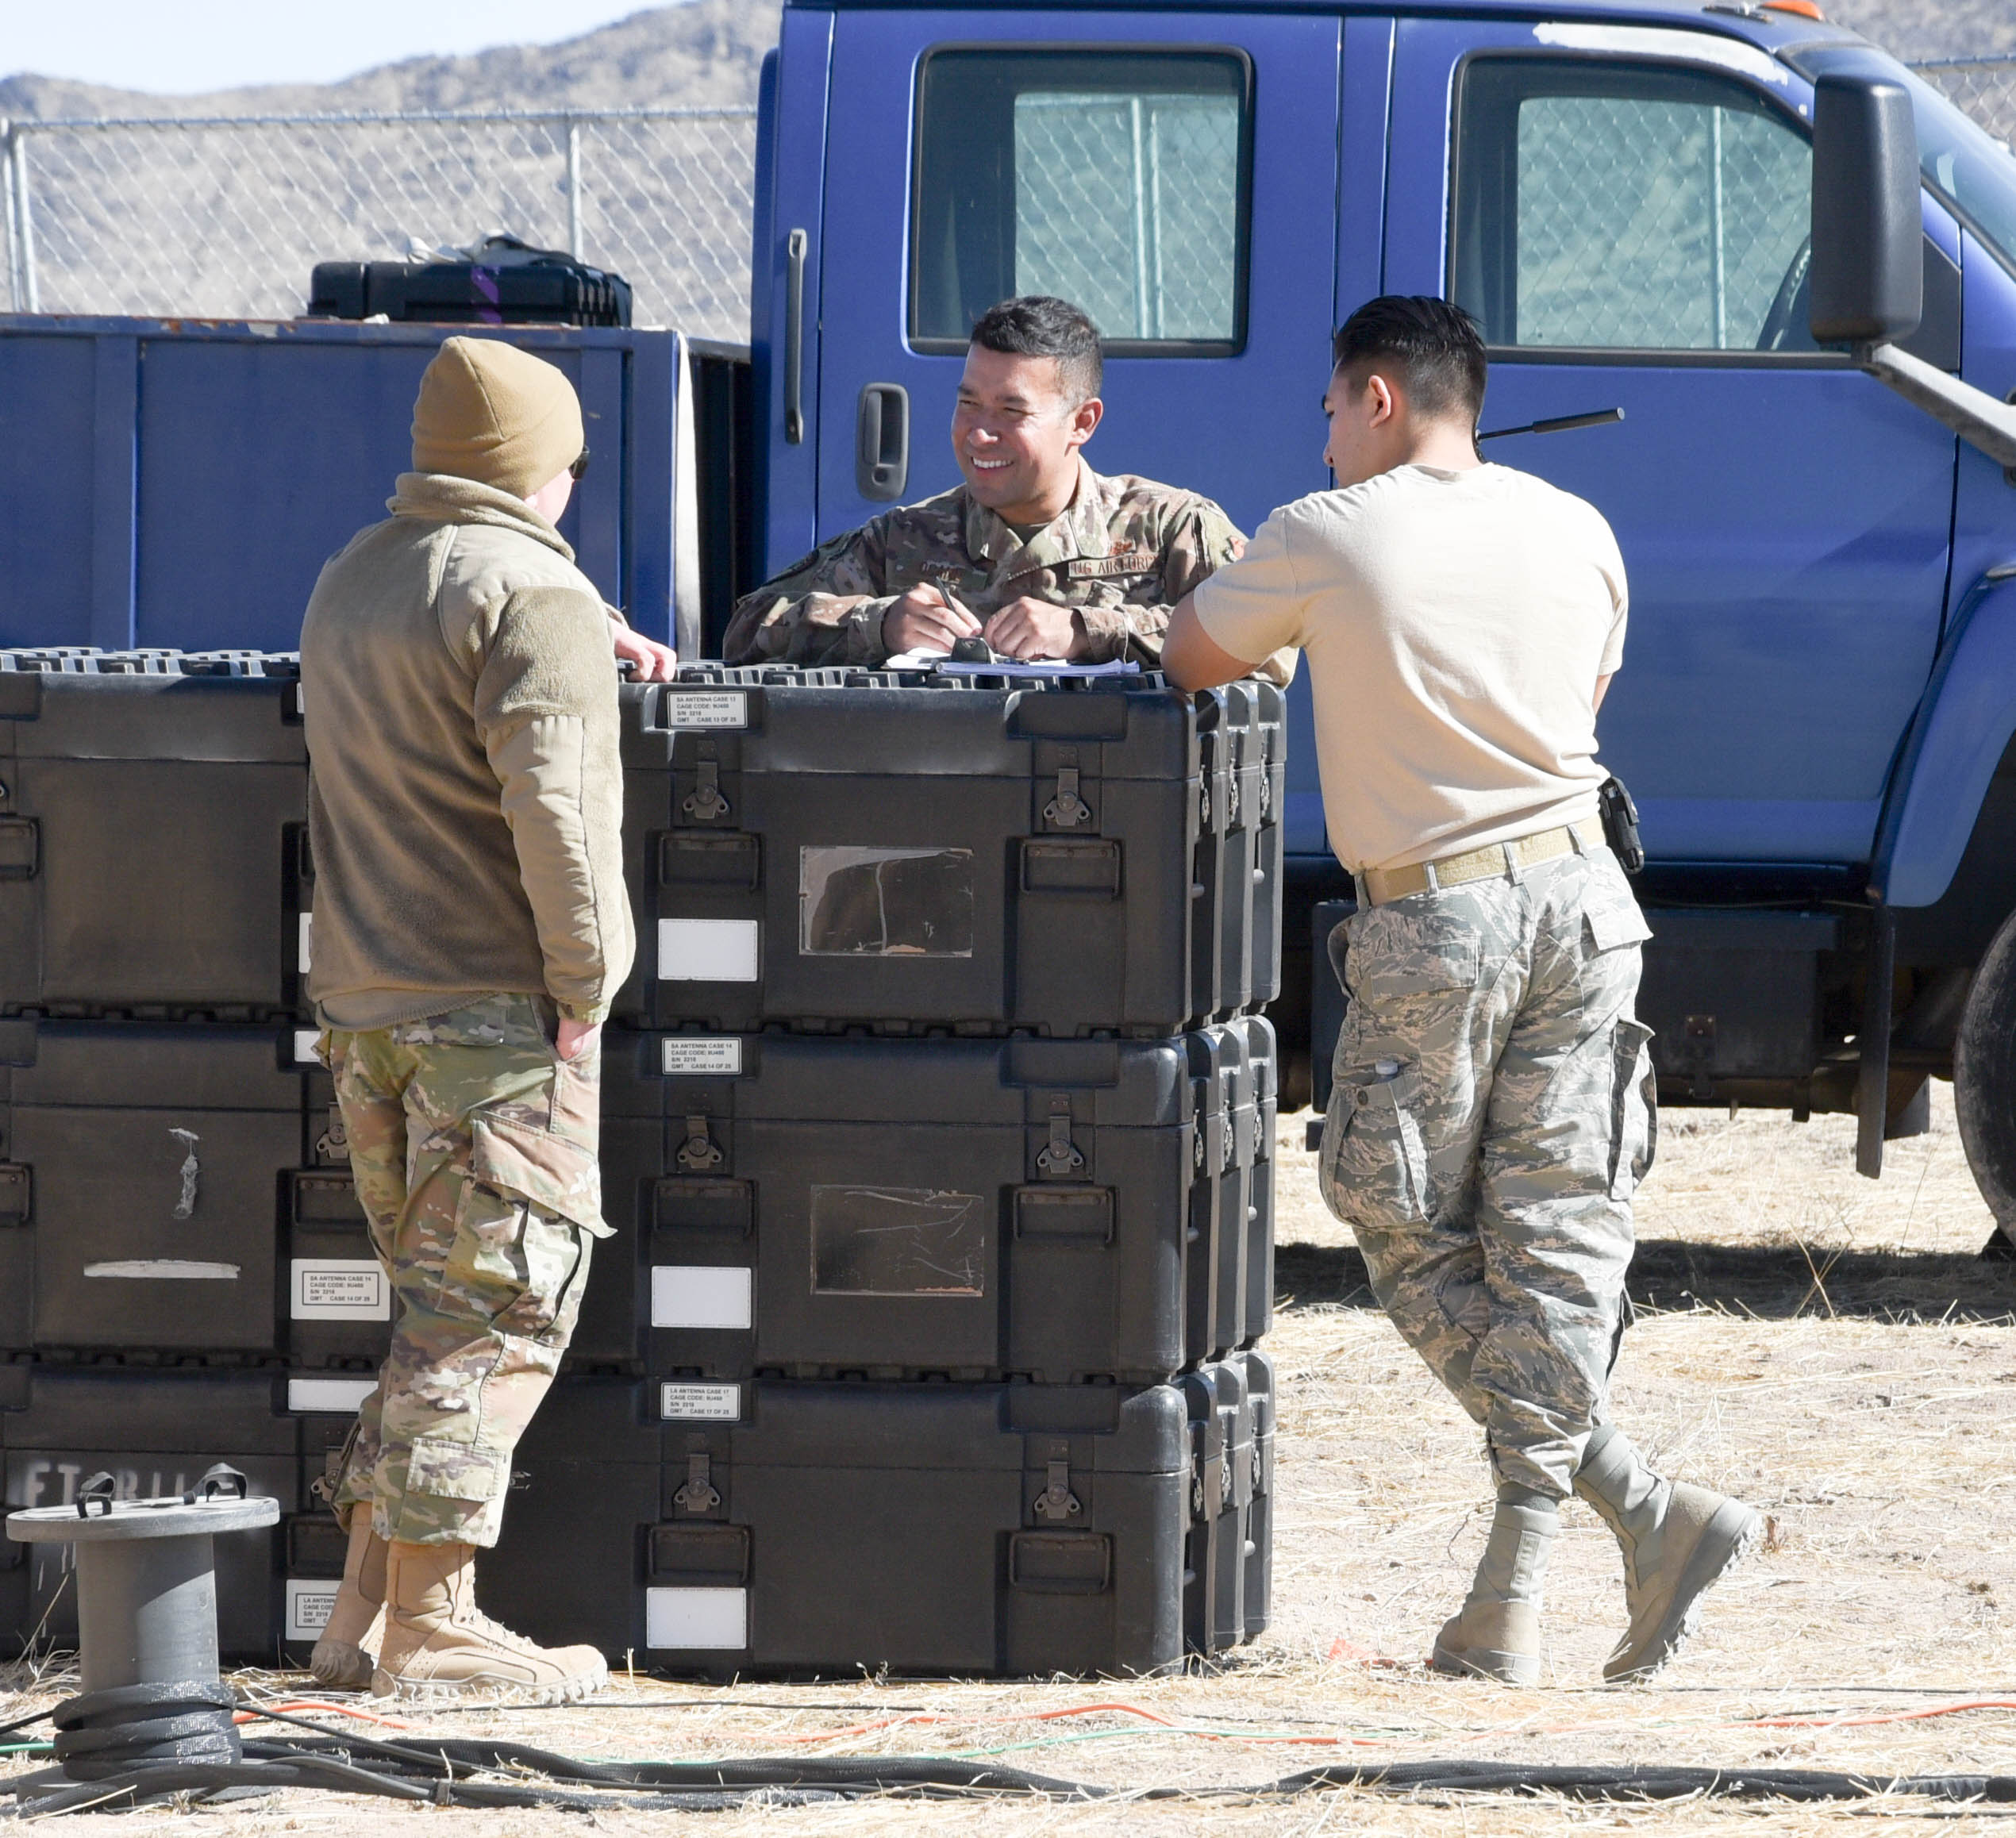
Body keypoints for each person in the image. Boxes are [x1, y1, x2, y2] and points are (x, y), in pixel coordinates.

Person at [1162, 296, 1759, 1686]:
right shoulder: (1579, 528)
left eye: (1327, 406)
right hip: (1590, 897)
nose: (1324, 432)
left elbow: (1190, 658)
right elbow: (1586, 692)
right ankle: (1544, 1575)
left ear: (1376, 397)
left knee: (1392, 1213)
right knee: (1553, 1247)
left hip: (1440, 914)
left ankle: (1620, 1526)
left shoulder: (1326, 529)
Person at [299, 335, 638, 1704]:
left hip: (370, 1006)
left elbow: (434, 705)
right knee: (495, 1316)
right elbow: (554, 817)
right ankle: (439, 1627)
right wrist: (589, 982)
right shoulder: (529, 591)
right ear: (545, 463)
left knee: (433, 1312)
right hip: (494, 1021)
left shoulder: (355, 576)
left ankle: (361, 1622)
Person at [723, 294, 1286, 677]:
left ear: (1082, 423)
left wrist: (1090, 632)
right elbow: (748, 629)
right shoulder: (905, 540)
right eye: (968, 403)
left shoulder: (1170, 530)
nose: (979, 433)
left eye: (1011, 411)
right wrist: (881, 624)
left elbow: (1270, 648)